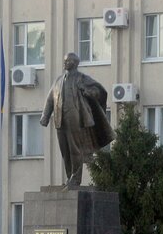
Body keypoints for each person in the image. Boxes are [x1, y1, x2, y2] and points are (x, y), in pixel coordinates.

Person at [40, 52, 115, 189]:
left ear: (74, 63)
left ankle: (75, 179)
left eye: (67, 61)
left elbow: (98, 91)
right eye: (64, 60)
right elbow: (50, 98)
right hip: (59, 119)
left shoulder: (82, 78)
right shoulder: (58, 80)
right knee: (65, 150)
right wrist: (45, 117)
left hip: (75, 118)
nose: (65, 63)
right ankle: (70, 177)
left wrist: (87, 91)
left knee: (75, 149)